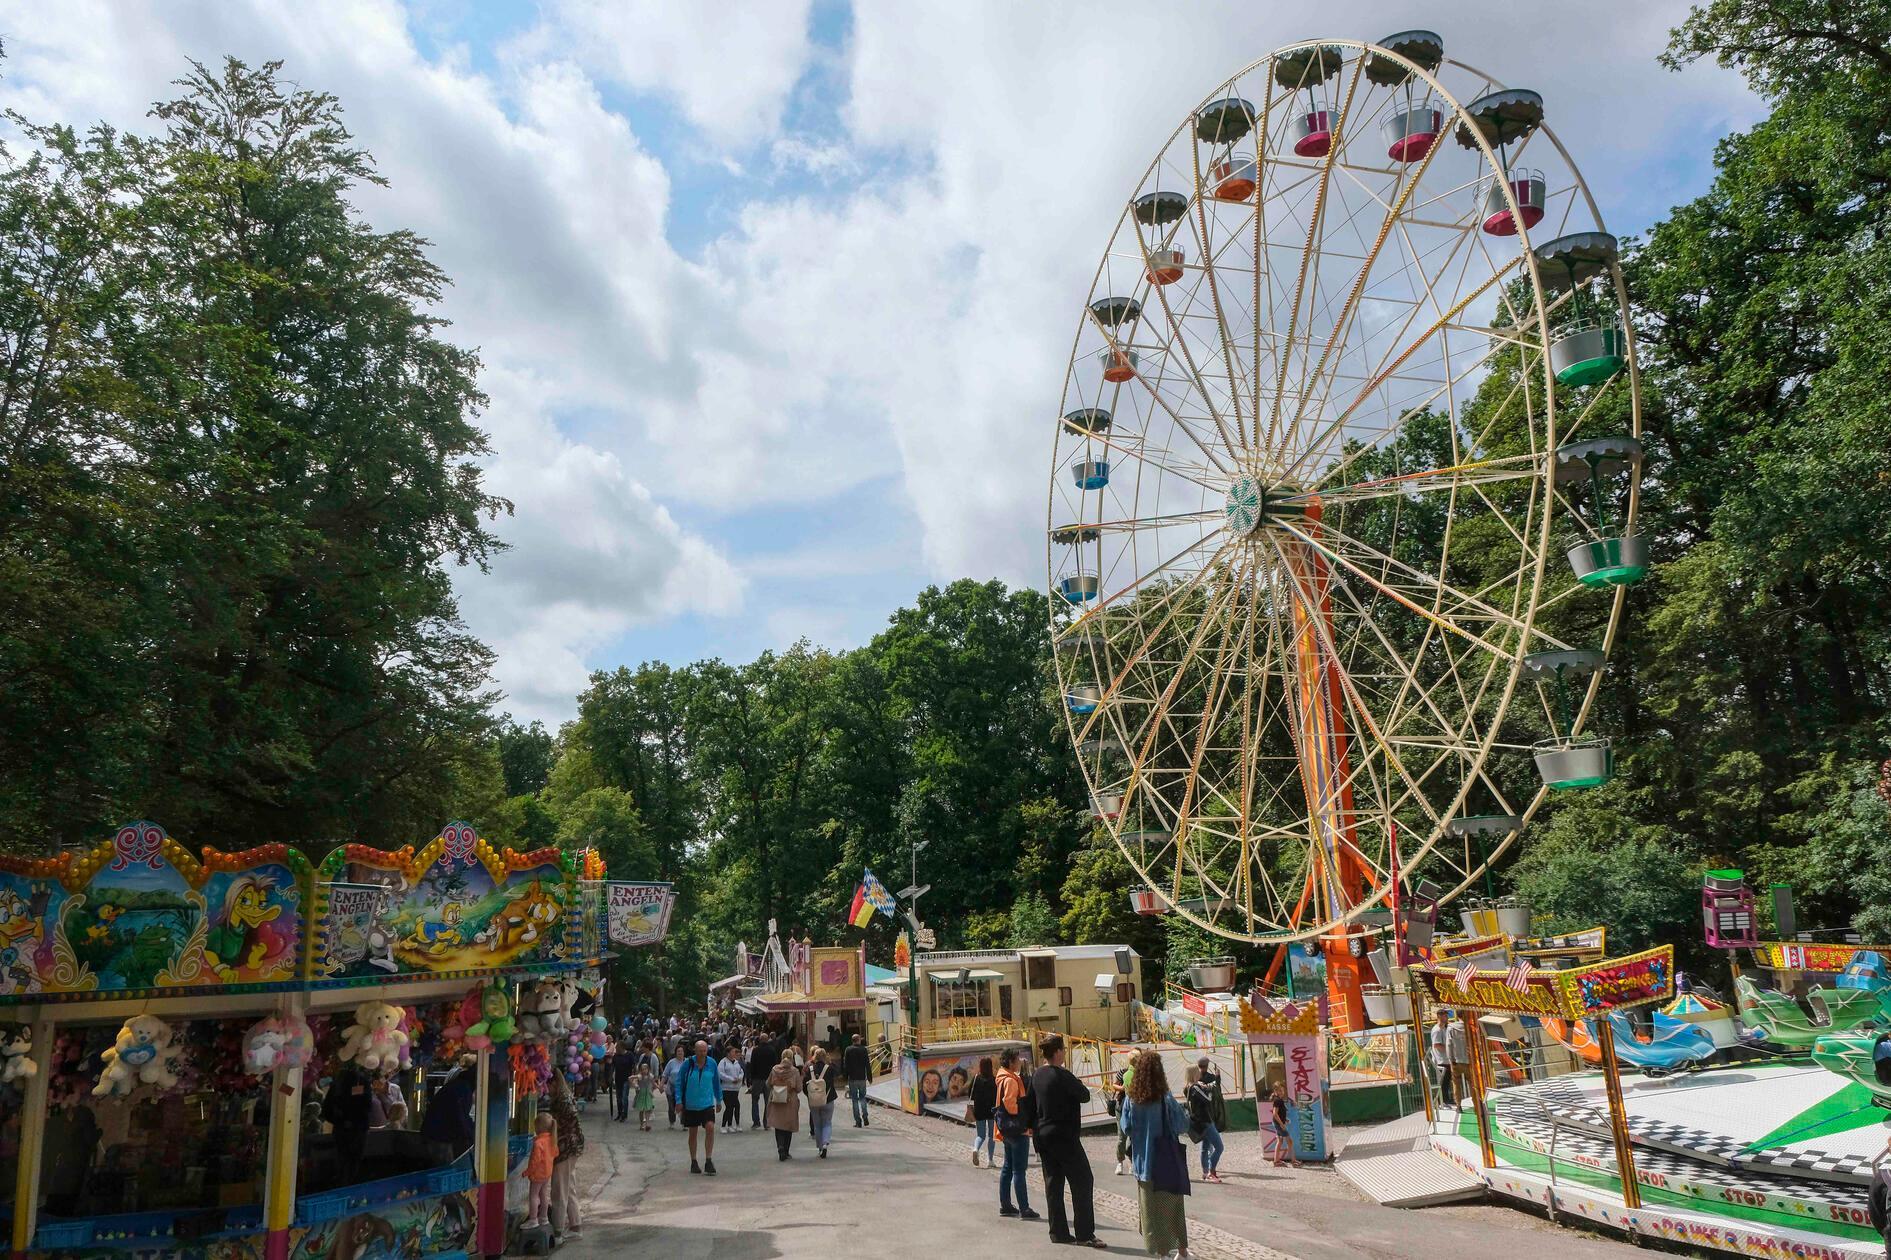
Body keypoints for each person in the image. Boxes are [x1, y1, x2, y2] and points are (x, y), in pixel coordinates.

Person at [1031, 1035, 1103, 1248]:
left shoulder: (1037, 1074)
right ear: (1057, 1052)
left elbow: (1029, 1103)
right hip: (1065, 1136)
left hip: (1044, 1135)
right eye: (1063, 1049)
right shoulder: (1063, 1075)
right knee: (1083, 1181)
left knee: (1053, 1184)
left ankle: (1058, 1232)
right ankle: (1084, 1233)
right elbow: (1084, 1095)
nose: (1064, 1053)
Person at [1119, 1050, 1191, 1259]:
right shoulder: (1165, 1098)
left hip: (1143, 1163)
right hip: (1166, 1160)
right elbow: (1181, 1124)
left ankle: (1162, 1252)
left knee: (1151, 1211)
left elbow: (1126, 1127)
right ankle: (1182, 1251)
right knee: (1173, 1207)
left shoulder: (1131, 1098)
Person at [994, 1049, 1039, 1221]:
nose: (1020, 1062)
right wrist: (1020, 1115)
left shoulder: (1001, 1077)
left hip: (1006, 1129)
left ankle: (1006, 1204)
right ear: (1011, 1062)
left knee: (1007, 1167)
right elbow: (1009, 1102)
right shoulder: (1011, 1080)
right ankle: (1024, 1207)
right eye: (1017, 1060)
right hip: (1017, 1129)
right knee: (1019, 1170)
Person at [321, 1063, 373, 1184]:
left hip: (341, 1129)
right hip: (358, 1129)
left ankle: (341, 1183)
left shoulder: (337, 1085)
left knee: (342, 1158)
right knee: (355, 1160)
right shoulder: (362, 1082)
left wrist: (340, 1121)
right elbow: (368, 1106)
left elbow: (327, 1109)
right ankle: (351, 1184)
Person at [676, 1038, 721, 1174]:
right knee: (693, 1133)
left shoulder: (712, 1063)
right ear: (695, 1051)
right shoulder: (688, 1064)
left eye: (705, 1051)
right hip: (691, 1104)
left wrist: (719, 1100)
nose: (702, 1053)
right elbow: (679, 1082)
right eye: (700, 1051)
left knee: (710, 1127)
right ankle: (694, 1161)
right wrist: (678, 1101)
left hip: (707, 1104)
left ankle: (708, 1160)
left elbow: (716, 1082)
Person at [420, 1056, 477, 1164]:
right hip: (440, 1136)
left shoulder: (457, 1085)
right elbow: (460, 1118)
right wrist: (473, 1134)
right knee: (444, 1166)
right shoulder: (463, 1089)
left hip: (433, 1133)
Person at [548, 1076, 586, 1236]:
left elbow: (562, 1123)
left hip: (565, 1148)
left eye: (548, 1086)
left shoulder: (562, 1101)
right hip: (573, 1146)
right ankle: (575, 1225)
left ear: (554, 1083)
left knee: (560, 1189)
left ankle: (558, 1229)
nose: (547, 1090)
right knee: (568, 1186)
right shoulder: (566, 1098)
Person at [1184, 1065, 1224, 1184]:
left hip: (1200, 1122)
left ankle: (1205, 1173)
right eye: (1197, 1072)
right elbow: (1208, 1099)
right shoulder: (1195, 1088)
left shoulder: (1188, 1087)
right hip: (1205, 1122)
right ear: (1194, 1074)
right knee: (1219, 1147)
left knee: (1205, 1148)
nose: (1200, 1074)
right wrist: (1207, 1089)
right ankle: (1211, 1172)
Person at [767, 1053, 803, 1161]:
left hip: (777, 1099)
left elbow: (768, 1083)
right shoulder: (795, 1071)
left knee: (778, 1125)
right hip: (790, 1100)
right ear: (792, 1059)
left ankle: (780, 1146)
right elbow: (799, 1088)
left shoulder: (774, 1069)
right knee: (788, 1125)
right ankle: (786, 1151)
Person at [805, 1045, 838, 1157]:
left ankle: (819, 1147)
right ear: (825, 1057)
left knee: (817, 1124)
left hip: (814, 1101)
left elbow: (805, 1085)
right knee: (827, 1122)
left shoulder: (810, 1069)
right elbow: (837, 1073)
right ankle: (825, 1143)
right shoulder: (829, 1068)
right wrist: (830, 1062)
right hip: (828, 1099)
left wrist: (810, 1096)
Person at [526, 1113, 557, 1228]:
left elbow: (535, 1160)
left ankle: (533, 1219)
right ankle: (544, 1217)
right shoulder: (552, 1140)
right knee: (544, 1195)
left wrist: (527, 1172)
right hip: (547, 1173)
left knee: (533, 1196)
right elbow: (555, 1153)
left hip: (537, 1174)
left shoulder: (538, 1143)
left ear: (539, 1127)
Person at [969, 1056, 998, 1167]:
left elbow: (970, 1094)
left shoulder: (976, 1079)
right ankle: (990, 1160)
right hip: (991, 1111)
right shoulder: (994, 1080)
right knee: (991, 1136)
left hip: (979, 1110)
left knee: (980, 1135)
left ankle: (976, 1149)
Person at [748, 1034, 780, 1130]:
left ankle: (756, 1122)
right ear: (767, 1040)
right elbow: (775, 1065)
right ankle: (766, 1123)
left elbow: (752, 1065)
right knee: (768, 1101)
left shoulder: (755, 1050)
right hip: (768, 1079)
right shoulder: (772, 1050)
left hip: (757, 1078)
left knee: (755, 1100)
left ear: (760, 1040)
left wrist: (750, 1080)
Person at [843, 1032, 873, 1127]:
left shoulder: (848, 1050)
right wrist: (869, 1077)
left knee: (855, 1100)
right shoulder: (863, 1049)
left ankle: (858, 1121)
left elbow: (846, 1064)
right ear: (859, 1040)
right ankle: (865, 1116)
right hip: (861, 1077)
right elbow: (867, 1064)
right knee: (863, 1097)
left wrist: (845, 1076)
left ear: (852, 1041)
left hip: (852, 1078)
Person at [1265, 1083, 1298, 1168]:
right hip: (1278, 1124)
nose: (1281, 1092)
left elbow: (1279, 1113)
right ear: (1275, 1091)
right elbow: (1275, 1114)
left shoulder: (1279, 1100)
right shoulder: (1278, 1100)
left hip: (1277, 1123)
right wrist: (1281, 1124)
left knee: (1280, 1141)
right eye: (1279, 1090)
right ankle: (1293, 1161)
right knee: (1289, 1141)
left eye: (1282, 1090)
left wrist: (1284, 1119)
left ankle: (1276, 1161)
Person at [1112, 1060, 1135, 1175]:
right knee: (1122, 1137)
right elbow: (1114, 1085)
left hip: (1135, 1108)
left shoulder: (1142, 1072)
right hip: (1121, 1107)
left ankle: (1132, 1163)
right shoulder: (1124, 1072)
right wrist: (1123, 1088)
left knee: (1133, 1137)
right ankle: (1120, 1162)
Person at [1445, 1014, 1472, 1108]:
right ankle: (1476, 1103)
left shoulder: (1451, 1028)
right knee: (1472, 1084)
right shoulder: (1470, 1027)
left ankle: (1458, 1105)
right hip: (1469, 1061)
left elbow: (1449, 1044)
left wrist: (1451, 1059)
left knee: (1456, 1083)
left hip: (1456, 1060)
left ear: (1457, 1016)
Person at [718, 1043, 745, 1133]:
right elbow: (720, 1074)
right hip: (726, 1088)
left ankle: (731, 1125)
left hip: (735, 1088)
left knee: (736, 1106)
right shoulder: (723, 1062)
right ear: (728, 1053)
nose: (734, 1053)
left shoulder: (736, 1062)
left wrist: (739, 1078)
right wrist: (731, 1079)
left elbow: (741, 1072)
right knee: (729, 1106)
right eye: (733, 1052)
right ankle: (723, 1125)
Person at [1429, 1011, 1454, 1106]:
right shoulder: (1437, 1030)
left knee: (1447, 1080)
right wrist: (1449, 1049)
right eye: (1445, 1016)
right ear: (1439, 1017)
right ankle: (1444, 1100)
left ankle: (1445, 1099)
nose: (1447, 1017)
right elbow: (1437, 1045)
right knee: (1444, 1081)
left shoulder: (1444, 1028)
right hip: (1441, 1059)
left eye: (1447, 1015)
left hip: (1446, 1059)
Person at [662, 1043, 688, 1129]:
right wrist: (661, 1084)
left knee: (684, 1105)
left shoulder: (687, 1062)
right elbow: (665, 1074)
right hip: (671, 1087)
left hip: (683, 1088)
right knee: (671, 1106)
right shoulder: (671, 1062)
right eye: (678, 1051)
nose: (680, 1053)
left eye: (681, 1051)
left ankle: (684, 1123)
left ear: (684, 1052)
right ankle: (672, 1122)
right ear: (676, 1052)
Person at [611, 1041, 636, 1122]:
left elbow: (634, 1065)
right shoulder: (616, 1056)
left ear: (621, 1047)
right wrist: (611, 1077)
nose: (616, 1048)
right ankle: (619, 1113)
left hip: (626, 1079)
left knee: (624, 1097)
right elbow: (613, 1067)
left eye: (617, 1047)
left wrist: (634, 1076)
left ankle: (624, 1114)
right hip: (618, 1079)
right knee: (618, 1098)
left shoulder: (629, 1055)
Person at [634, 1054, 656, 1131]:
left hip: (648, 1093)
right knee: (641, 1110)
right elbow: (635, 1081)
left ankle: (647, 1124)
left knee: (648, 1109)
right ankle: (641, 1124)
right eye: (642, 1069)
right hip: (641, 1093)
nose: (644, 1071)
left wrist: (659, 1087)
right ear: (641, 1070)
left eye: (645, 1069)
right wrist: (636, 1085)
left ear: (648, 1069)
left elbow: (653, 1083)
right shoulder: (639, 1076)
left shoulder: (650, 1076)